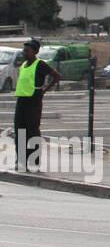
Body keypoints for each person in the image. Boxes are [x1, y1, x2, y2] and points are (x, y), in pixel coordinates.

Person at [14, 38, 59, 171]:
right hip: (21, 101)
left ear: (34, 51)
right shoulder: (23, 65)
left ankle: (33, 161)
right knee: (19, 131)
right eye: (24, 50)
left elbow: (56, 76)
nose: (24, 53)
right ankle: (21, 161)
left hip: (33, 102)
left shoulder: (40, 64)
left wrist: (44, 90)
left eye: (27, 51)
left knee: (32, 132)